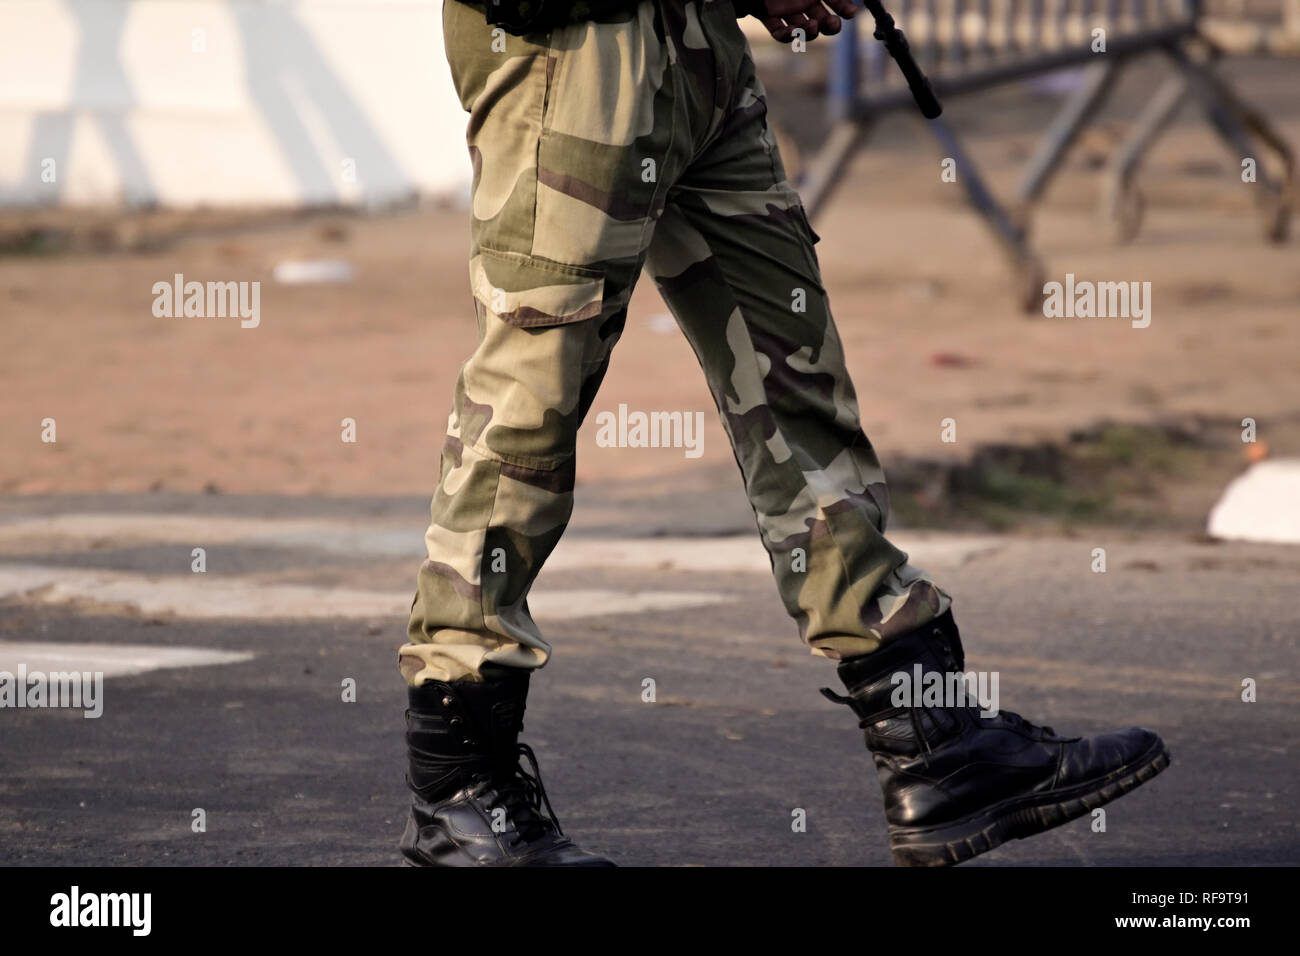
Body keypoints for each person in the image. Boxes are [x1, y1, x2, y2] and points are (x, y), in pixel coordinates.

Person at [397, 0, 1169, 867]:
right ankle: (461, 785)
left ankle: (933, 743)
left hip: (694, 43)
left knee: (793, 381)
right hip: (575, 51)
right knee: (530, 407)